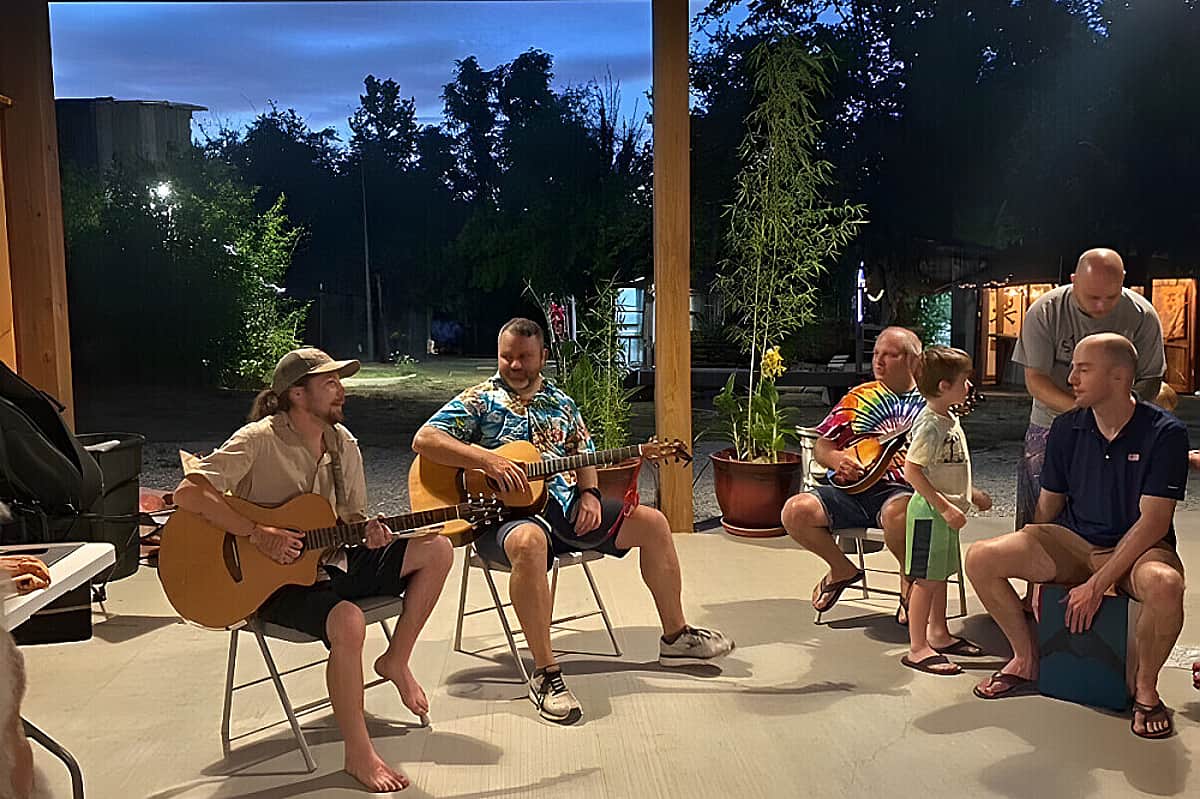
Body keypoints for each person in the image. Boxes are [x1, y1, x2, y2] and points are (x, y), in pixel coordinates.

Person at [412, 318, 733, 726]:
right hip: (501, 520)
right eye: (506, 356)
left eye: (523, 357)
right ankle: (546, 675)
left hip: (562, 511)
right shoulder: (479, 400)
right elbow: (424, 439)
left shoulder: (562, 403)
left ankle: (676, 639)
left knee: (653, 523)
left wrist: (590, 494)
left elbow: (586, 453)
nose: (513, 365)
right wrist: (487, 459)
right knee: (530, 543)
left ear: (542, 357)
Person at [173, 348, 453, 791]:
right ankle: (358, 753)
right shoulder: (257, 440)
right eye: (330, 384)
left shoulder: (344, 445)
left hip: (327, 561)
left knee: (436, 549)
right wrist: (256, 532)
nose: (341, 391)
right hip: (265, 581)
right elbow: (189, 493)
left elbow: (351, 525)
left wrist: (370, 534)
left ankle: (396, 660)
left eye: (339, 382)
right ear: (297, 395)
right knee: (349, 619)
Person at [965, 334, 1188, 740]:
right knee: (981, 557)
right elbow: (1048, 506)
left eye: (1083, 369)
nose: (1070, 378)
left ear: (1119, 376)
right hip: (1074, 542)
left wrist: (1096, 585)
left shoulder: (1165, 433)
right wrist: (1035, 580)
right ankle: (1026, 659)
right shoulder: (1067, 427)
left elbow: (1153, 522)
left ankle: (1146, 689)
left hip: (1137, 548)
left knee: (1166, 585)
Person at [1011, 248, 1165, 534]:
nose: (1101, 306)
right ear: (1073, 280)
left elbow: (1152, 378)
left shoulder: (1141, 314)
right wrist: (1085, 413)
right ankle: (1040, 575)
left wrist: (1121, 412)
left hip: (1120, 429)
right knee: (1042, 515)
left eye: (1111, 297)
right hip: (1053, 421)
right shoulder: (1046, 311)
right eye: (1092, 297)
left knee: (1111, 512)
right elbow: (1036, 380)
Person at [782, 326, 925, 622]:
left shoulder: (928, 403)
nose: (879, 361)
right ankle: (842, 568)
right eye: (876, 354)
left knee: (901, 514)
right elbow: (823, 443)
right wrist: (837, 459)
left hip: (901, 490)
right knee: (795, 511)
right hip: (850, 489)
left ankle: (907, 585)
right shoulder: (859, 396)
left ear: (913, 360)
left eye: (890, 355)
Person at [900, 347, 992, 675]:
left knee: (940, 574)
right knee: (926, 579)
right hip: (929, 513)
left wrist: (971, 495)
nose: (969, 386)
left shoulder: (947, 418)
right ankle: (917, 646)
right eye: (964, 380)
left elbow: (945, 468)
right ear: (944, 386)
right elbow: (913, 471)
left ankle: (937, 632)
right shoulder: (930, 425)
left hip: (945, 512)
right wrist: (944, 506)